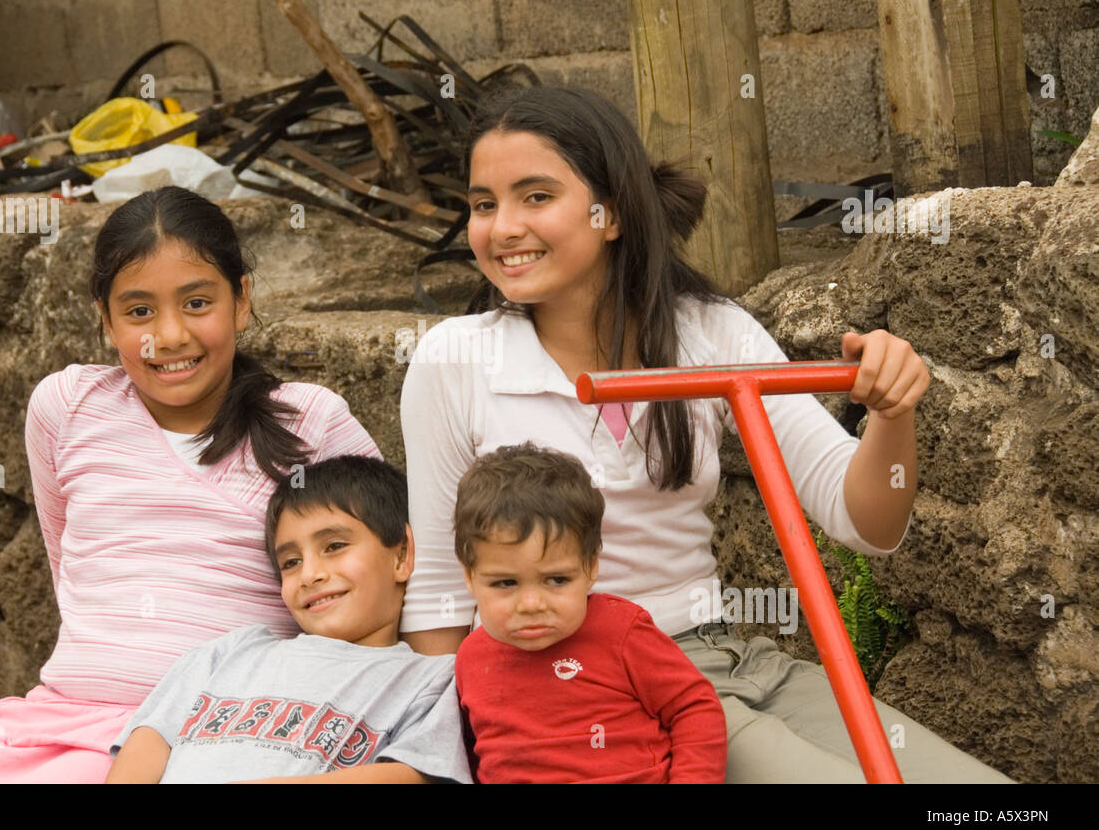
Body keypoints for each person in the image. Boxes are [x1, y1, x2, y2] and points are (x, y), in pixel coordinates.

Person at [398, 85, 1013, 783]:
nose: (502, 227)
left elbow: (868, 523)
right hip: (590, 688)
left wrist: (892, 413)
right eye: (484, 204)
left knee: (989, 809)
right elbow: (442, 596)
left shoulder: (710, 331)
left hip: (727, 658)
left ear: (614, 212)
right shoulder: (456, 361)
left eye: (535, 197)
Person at [0, 186, 380, 783]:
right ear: (105, 316)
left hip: (217, 735)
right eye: (139, 311)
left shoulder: (310, 422)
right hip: (56, 719)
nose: (168, 336)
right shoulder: (67, 407)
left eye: (197, 303)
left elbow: (393, 572)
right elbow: (68, 560)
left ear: (242, 299)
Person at [106, 455, 471, 783]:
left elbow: (416, 774)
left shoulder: (429, 679)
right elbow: (151, 737)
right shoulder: (233, 652)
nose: (310, 574)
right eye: (290, 563)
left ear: (401, 554)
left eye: (334, 546)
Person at [452, 442, 726, 783]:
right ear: (469, 577)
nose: (532, 604)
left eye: (556, 579)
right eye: (506, 583)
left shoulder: (622, 632)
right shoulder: (470, 659)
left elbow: (694, 708)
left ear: (591, 566)